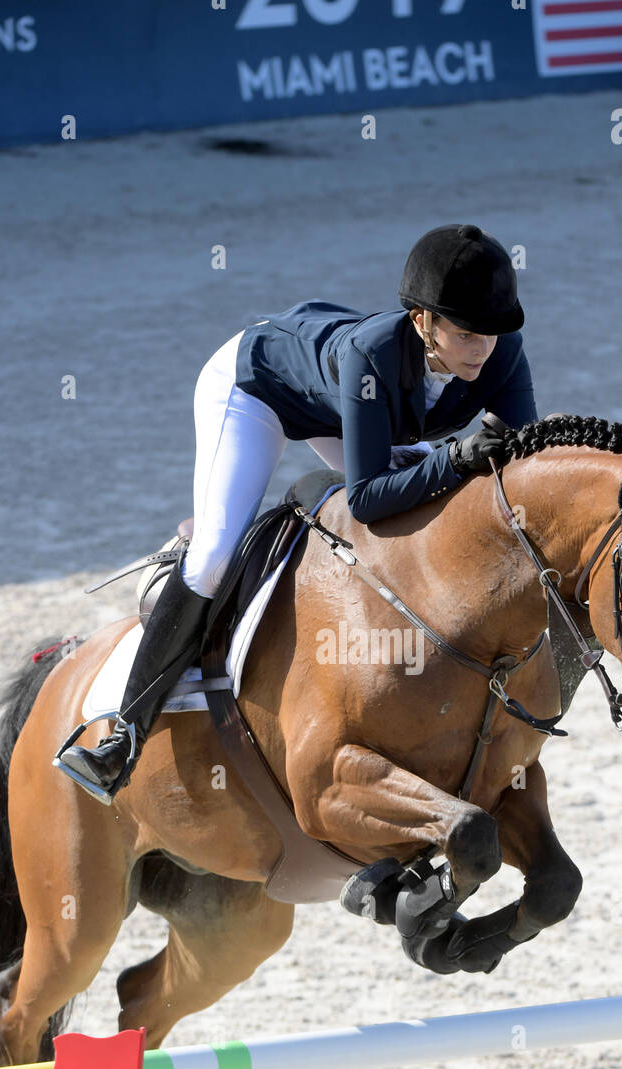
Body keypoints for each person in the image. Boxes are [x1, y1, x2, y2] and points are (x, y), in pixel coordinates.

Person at [57, 223, 537, 803]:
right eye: (466, 334)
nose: (483, 350)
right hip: (253, 391)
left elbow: (517, 457)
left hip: (348, 407)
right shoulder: (375, 354)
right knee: (213, 557)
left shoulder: (500, 349)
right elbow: (365, 498)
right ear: (422, 322)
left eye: (492, 333)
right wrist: (456, 458)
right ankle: (122, 737)